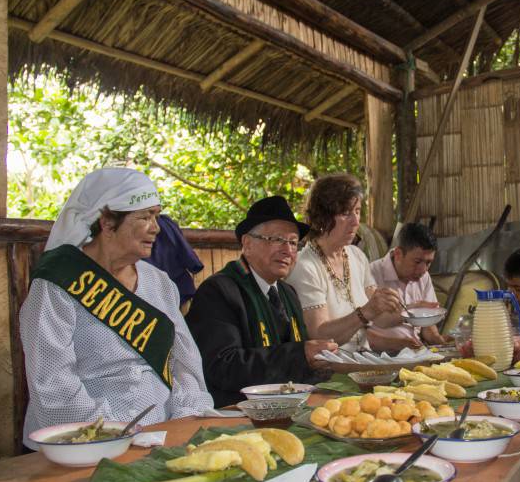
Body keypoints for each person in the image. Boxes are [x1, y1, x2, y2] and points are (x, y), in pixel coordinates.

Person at [21, 168, 212, 449]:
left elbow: (184, 362)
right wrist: (112, 432)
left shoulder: (159, 282)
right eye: (145, 217)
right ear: (108, 223)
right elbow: (52, 382)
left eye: (156, 216)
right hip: (86, 441)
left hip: (163, 431)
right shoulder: (56, 283)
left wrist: (184, 416)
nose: (156, 227)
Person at [186, 196, 338, 407]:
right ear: (247, 244)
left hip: (288, 405)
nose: (288, 250)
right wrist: (299, 354)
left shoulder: (288, 293)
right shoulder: (218, 291)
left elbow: (299, 358)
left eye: (293, 242)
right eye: (277, 240)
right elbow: (222, 367)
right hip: (236, 411)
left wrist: (318, 362)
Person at [286, 173, 402, 353]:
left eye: (357, 211)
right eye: (345, 213)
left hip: (363, 362)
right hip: (329, 369)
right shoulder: (306, 267)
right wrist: (365, 313)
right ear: (321, 217)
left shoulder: (356, 256)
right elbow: (318, 334)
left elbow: (381, 318)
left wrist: (411, 313)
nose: (356, 222)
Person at [368, 223, 449, 349]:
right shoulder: (371, 273)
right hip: (380, 353)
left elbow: (426, 325)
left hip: (414, 351)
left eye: (428, 262)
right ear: (399, 254)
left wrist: (436, 338)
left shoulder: (424, 276)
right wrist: (412, 310)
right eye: (417, 262)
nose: (423, 269)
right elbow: (366, 327)